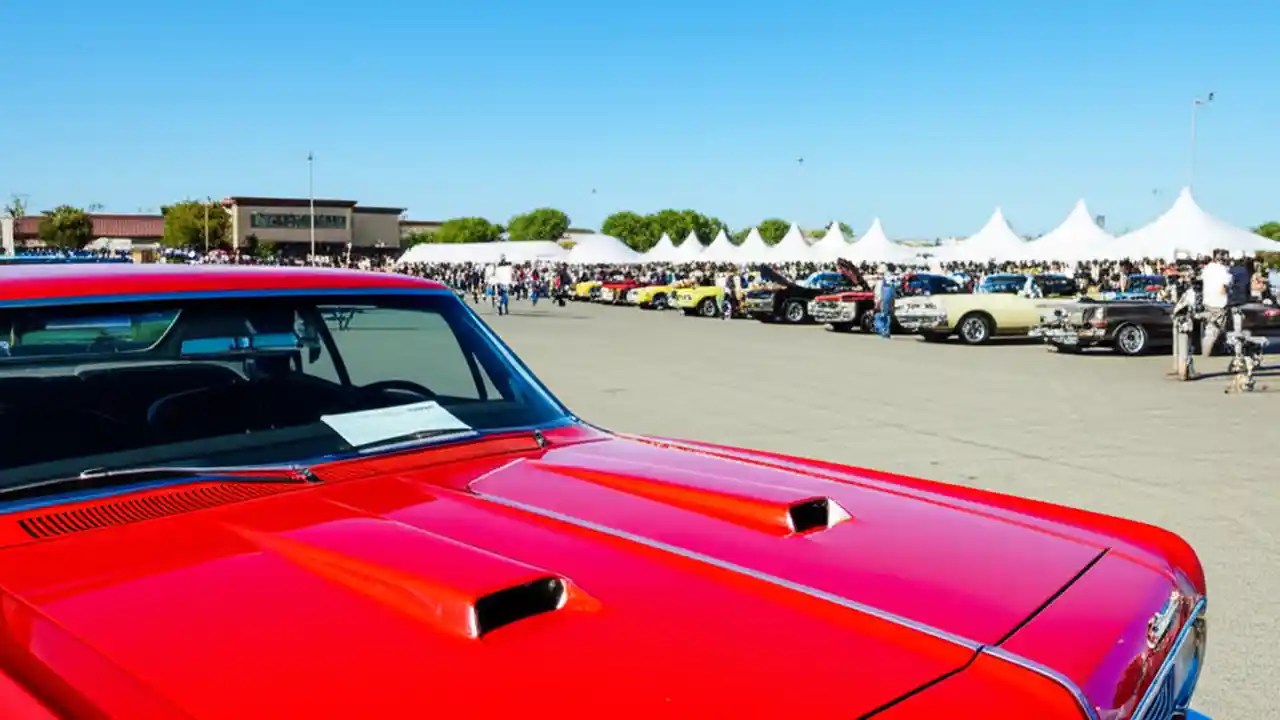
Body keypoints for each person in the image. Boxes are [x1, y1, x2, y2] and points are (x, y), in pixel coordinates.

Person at [1199, 250, 1232, 354]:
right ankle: (1213, 349)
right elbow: (1225, 285)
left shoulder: (1207, 268)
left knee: (1210, 325)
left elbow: (1202, 280)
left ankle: (1209, 349)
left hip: (1207, 300)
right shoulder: (1223, 269)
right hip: (1219, 302)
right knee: (1218, 327)